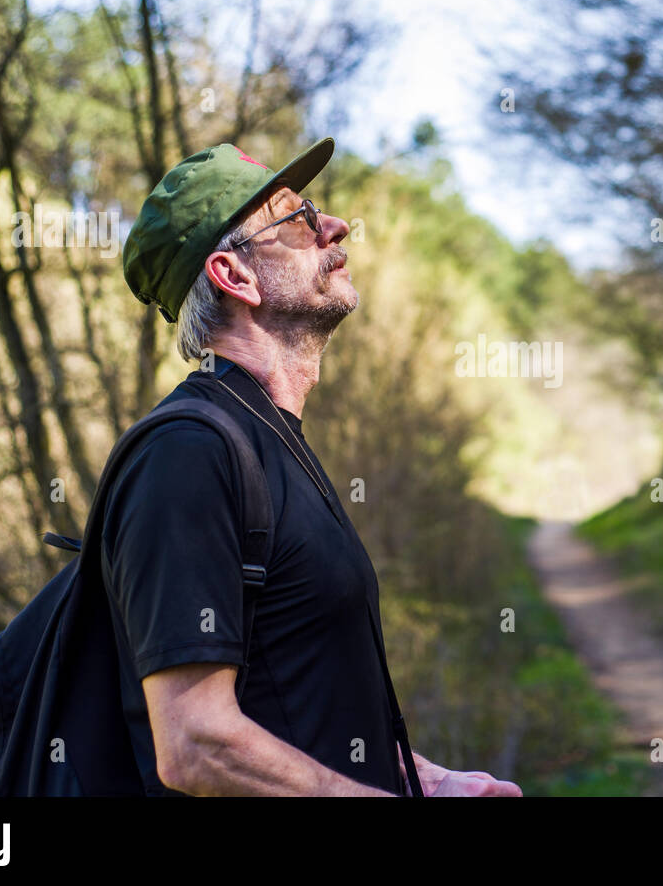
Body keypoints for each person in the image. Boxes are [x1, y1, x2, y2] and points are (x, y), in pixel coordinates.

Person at [113, 137, 522, 797]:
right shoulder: (185, 453)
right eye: (294, 217)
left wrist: (427, 781)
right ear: (234, 276)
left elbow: (304, 706)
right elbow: (194, 743)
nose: (333, 226)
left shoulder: (275, 441)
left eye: (316, 208)